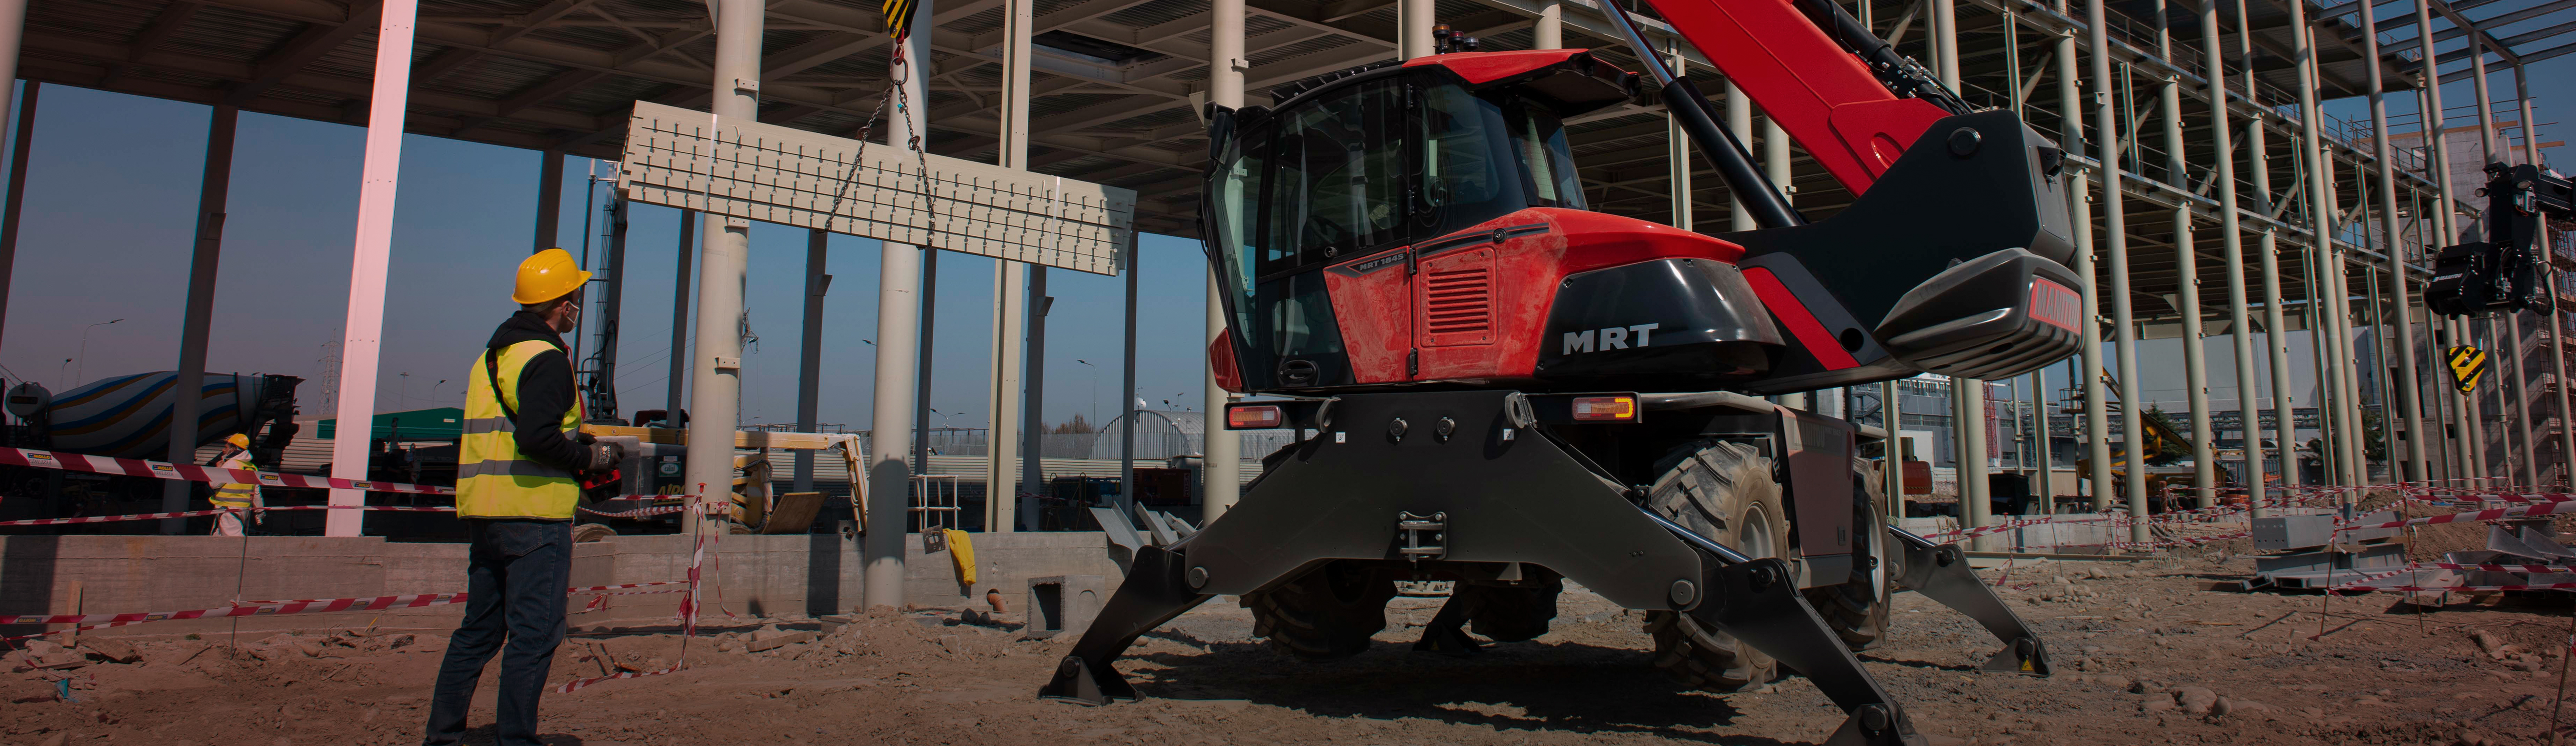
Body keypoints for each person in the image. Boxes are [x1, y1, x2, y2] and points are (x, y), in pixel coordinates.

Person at [424, 248, 623, 746]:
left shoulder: (492, 357)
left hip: (486, 513)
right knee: (534, 636)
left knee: (479, 633)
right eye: (575, 295)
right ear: (562, 302)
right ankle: (516, 739)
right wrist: (592, 459)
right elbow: (536, 438)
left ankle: (442, 738)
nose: (578, 304)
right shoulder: (548, 358)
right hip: (534, 516)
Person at [207, 433, 262, 537]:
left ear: (233, 449)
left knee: (233, 538)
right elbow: (257, 494)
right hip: (243, 510)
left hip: (228, 508)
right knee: (218, 537)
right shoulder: (252, 467)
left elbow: (214, 484)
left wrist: (218, 469)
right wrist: (259, 513)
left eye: (226, 447)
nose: (224, 450)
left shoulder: (231, 464)